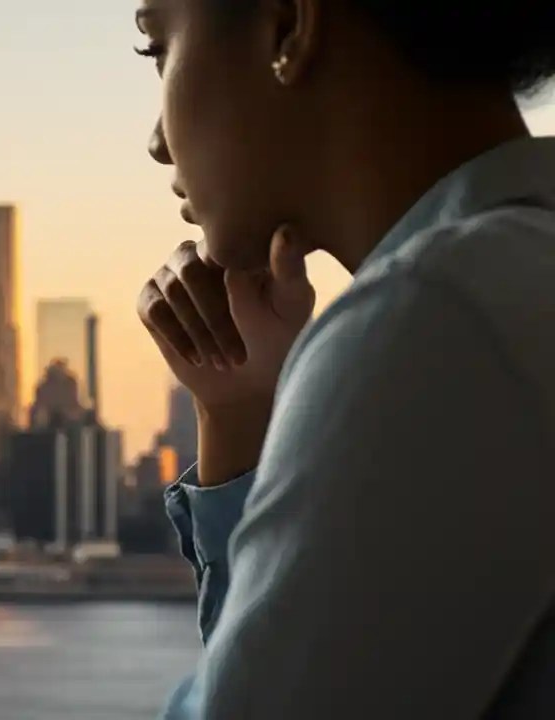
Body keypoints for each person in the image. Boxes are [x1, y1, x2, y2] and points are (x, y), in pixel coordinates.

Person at [133, 0, 555, 717]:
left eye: (159, 47)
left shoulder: (439, 316)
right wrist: (239, 413)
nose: (156, 142)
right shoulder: (511, 274)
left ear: (289, 27)